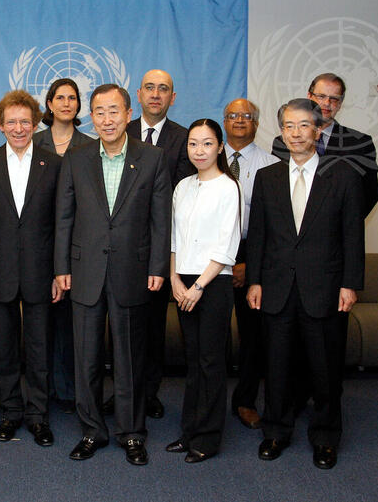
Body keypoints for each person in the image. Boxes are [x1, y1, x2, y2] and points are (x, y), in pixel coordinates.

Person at [55, 84, 171, 466]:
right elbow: (64, 218)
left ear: (127, 113)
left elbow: (160, 219)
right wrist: (61, 268)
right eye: (99, 112)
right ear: (92, 116)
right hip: (84, 272)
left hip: (132, 272)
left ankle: (132, 433)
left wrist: (157, 267)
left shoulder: (152, 158)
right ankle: (92, 430)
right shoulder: (76, 158)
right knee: (86, 358)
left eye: (114, 111)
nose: (107, 119)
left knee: (129, 360)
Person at [247, 98, 364, 469]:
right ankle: (276, 432)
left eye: (303, 126)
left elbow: (353, 236)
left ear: (317, 130)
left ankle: (326, 437)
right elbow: (259, 238)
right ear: (281, 131)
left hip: (325, 289)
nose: (295, 133)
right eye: (288, 126)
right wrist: (254, 282)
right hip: (277, 288)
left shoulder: (343, 175)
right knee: (277, 366)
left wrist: (350, 283)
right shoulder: (267, 178)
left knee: (325, 369)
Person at [0, 90, 63, 447]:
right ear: (0, 125)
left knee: (39, 348)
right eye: (11, 122)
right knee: (6, 349)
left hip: (42, 272)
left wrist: (59, 271)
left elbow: (61, 222)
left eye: (25, 121)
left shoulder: (54, 163)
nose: (19, 128)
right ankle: (10, 412)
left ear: (36, 122)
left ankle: (38, 416)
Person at [103, 69, 191, 420]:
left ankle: (147, 393)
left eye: (164, 89)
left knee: (151, 329)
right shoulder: (117, 132)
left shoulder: (185, 138)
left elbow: (181, 199)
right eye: (150, 88)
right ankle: (121, 393)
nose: (156, 94)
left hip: (155, 249)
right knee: (116, 333)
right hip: (115, 251)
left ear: (173, 97)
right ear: (137, 96)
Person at [166, 119, 243, 464]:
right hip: (183, 281)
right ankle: (189, 432)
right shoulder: (182, 186)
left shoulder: (229, 187)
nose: (199, 150)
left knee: (211, 362)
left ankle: (208, 438)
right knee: (193, 363)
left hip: (213, 284)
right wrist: (175, 280)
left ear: (220, 147)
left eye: (207, 144)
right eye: (193, 144)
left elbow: (227, 244)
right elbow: (174, 239)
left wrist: (198, 285)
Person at [33, 78, 93, 415]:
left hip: (76, 242)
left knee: (70, 321)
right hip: (39, 240)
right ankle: (43, 389)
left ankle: (68, 389)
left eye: (72, 98)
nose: (67, 103)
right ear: (50, 103)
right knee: (42, 319)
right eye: (60, 97)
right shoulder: (34, 141)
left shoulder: (89, 144)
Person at [223, 99, 279, 430]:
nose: (240, 120)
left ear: (256, 124)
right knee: (210, 339)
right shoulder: (206, 158)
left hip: (252, 253)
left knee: (253, 337)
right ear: (224, 121)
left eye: (247, 116)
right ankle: (209, 401)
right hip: (211, 257)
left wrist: (251, 265)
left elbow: (275, 225)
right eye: (233, 116)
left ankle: (244, 400)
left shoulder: (272, 165)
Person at [271, 73, 378, 218]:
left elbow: (369, 194)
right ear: (309, 96)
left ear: (340, 104)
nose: (327, 103)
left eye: (334, 99)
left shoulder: (360, 143)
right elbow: (275, 190)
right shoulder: (283, 142)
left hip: (336, 235)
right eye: (321, 96)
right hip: (290, 232)